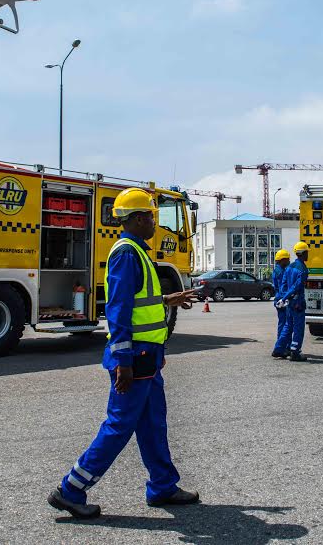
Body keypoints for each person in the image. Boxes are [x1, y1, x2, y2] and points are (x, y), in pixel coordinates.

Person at [49, 188, 199, 519]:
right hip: (136, 359)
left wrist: (167, 301)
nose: (154, 223)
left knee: (153, 424)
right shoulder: (126, 254)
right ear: (136, 219)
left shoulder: (138, 253)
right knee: (119, 426)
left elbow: (138, 305)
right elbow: (118, 311)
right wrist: (123, 362)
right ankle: (71, 489)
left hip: (148, 356)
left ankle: (162, 485)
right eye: (150, 216)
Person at [275, 242, 310, 361]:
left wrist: (284, 298)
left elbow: (284, 285)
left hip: (289, 302)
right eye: (307, 252)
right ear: (304, 253)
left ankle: (278, 349)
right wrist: (286, 297)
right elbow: (297, 286)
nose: (308, 254)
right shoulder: (303, 269)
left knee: (287, 325)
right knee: (298, 327)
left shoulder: (289, 267)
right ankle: (295, 352)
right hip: (297, 302)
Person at [271, 249, 292, 358]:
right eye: (287, 259)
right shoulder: (281, 271)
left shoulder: (277, 270)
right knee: (284, 325)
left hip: (279, 299)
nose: (289, 261)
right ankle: (281, 348)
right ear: (282, 260)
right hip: (282, 300)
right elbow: (284, 286)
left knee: (284, 324)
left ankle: (284, 347)